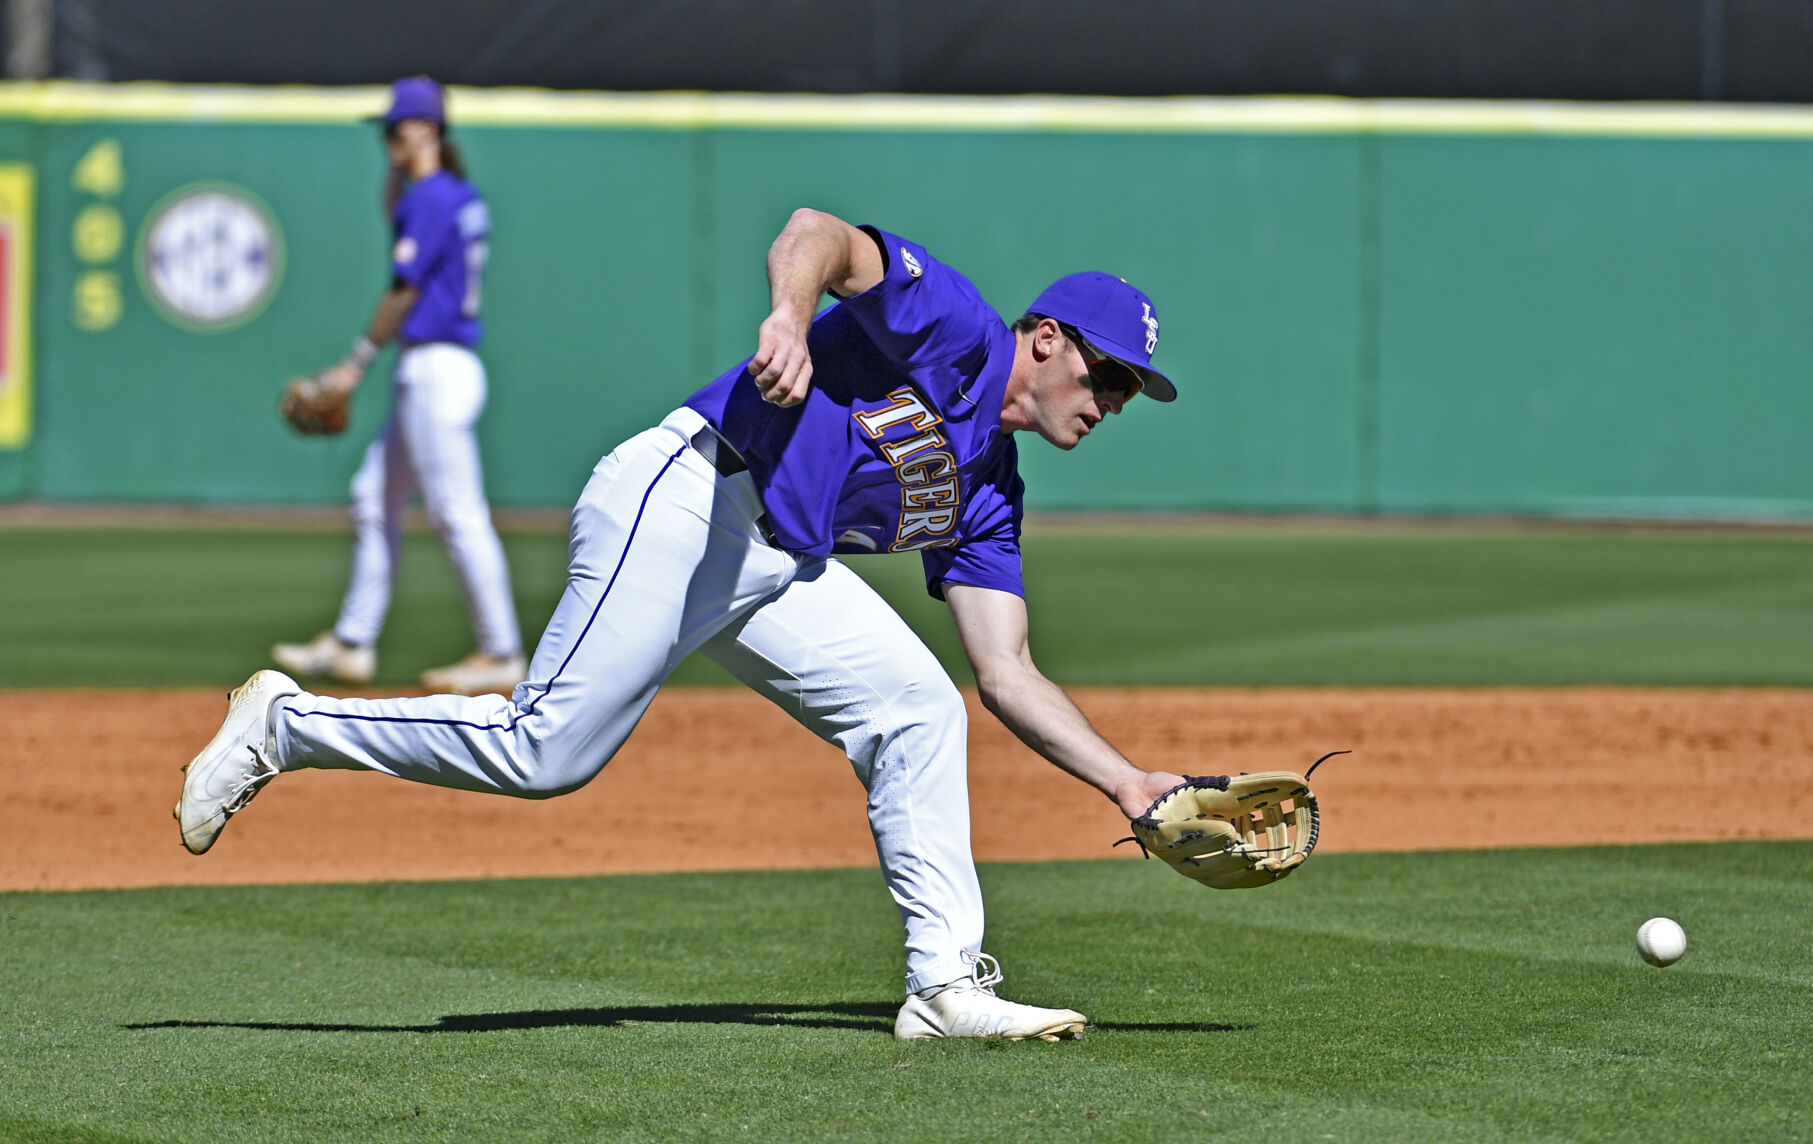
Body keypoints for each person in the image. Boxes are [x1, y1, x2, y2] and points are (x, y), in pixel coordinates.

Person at [179, 208, 1188, 1042]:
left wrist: (1129, 783)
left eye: (1128, 392)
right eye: (1106, 375)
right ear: (1045, 338)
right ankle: (284, 726)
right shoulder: (960, 330)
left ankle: (943, 985)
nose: (1111, 402)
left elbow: (1006, 671)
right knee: (547, 753)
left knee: (920, 705)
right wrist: (791, 318)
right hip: (688, 495)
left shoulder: (990, 492)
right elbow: (819, 232)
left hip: (775, 563)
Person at [270, 76, 526, 695]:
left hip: (436, 368)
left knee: (456, 513)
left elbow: (402, 290)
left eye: (395, 128)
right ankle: (352, 643)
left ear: (426, 129)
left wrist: (353, 364)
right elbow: (405, 226)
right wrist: (402, 172)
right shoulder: (455, 195)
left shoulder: (432, 198)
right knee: (372, 496)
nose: (387, 138)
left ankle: (501, 651)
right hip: (438, 370)